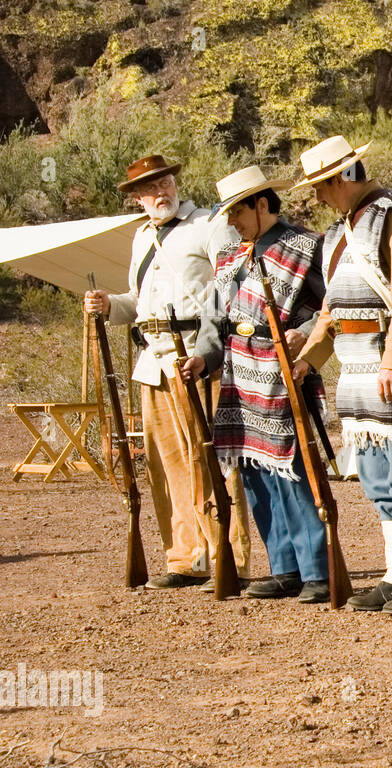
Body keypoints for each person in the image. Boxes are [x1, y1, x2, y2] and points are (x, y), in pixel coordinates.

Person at [85, 154, 251, 591]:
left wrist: (208, 351)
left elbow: (230, 284)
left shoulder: (207, 226)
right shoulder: (142, 238)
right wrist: (109, 305)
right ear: (136, 198)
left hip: (198, 357)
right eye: (150, 188)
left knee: (216, 461)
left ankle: (228, 554)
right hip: (153, 360)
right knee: (167, 465)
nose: (161, 192)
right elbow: (138, 304)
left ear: (176, 183)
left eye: (166, 182)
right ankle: (186, 557)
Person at [293, 136, 392, 618]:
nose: (317, 197)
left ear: (344, 177)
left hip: (385, 361)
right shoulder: (336, 234)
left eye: (322, 185)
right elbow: (332, 313)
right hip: (354, 368)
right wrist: (310, 360)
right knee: (376, 476)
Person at [181, 166, 330, 603]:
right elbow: (215, 319)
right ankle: (283, 566)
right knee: (255, 475)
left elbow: (329, 307)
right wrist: (203, 357)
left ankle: (317, 570)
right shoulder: (229, 258)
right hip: (237, 375)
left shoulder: (306, 247)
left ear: (262, 204)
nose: (231, 222)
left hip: (284, 373)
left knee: (293, 472)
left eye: (237, 211)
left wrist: (305, 332)